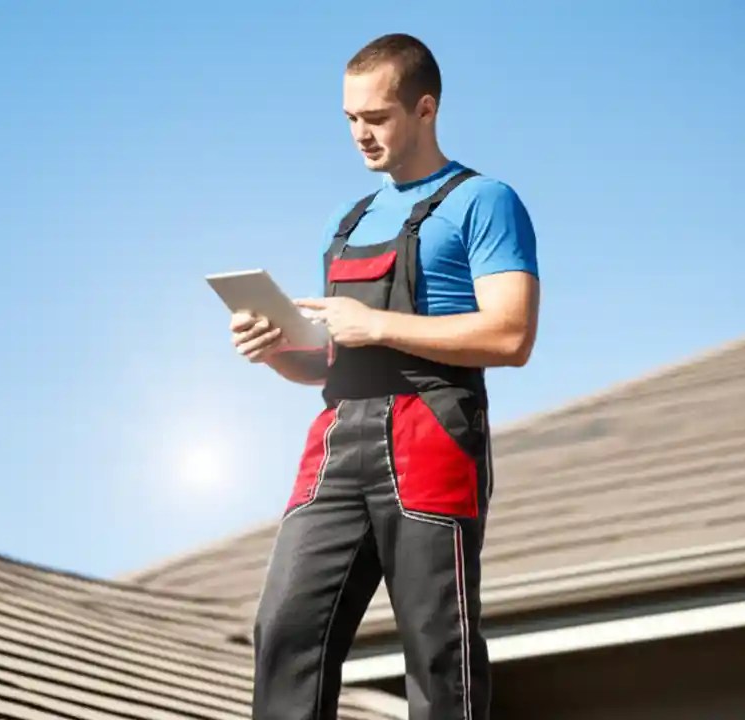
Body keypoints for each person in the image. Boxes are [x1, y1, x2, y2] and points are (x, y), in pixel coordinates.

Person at [229, 33, 540, 720]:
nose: (360, 136)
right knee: (283, 631)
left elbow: (512, 334)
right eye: (349, 120)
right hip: (338, 443)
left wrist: (379, 326)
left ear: (425, 109)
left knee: (439, 654)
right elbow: (334, 360)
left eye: (376, 118)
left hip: (432, 433)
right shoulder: (349, 222)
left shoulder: (484, 202)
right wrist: (278, 350)